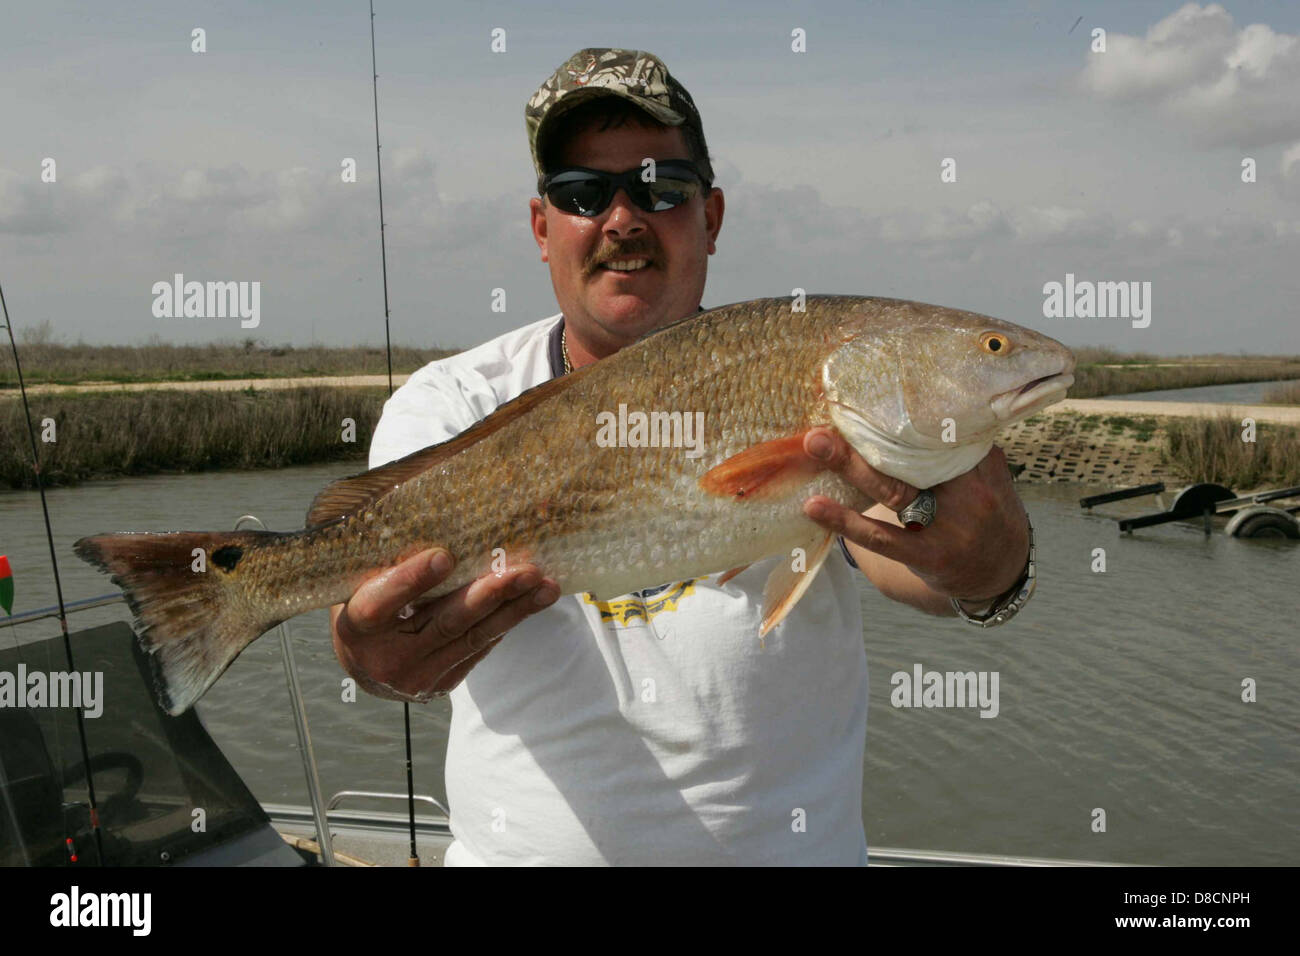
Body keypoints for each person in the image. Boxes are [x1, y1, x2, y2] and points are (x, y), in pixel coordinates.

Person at [330, 48, 1033, 865]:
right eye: (582, 194)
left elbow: (917, 565)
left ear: (712, 216)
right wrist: (368, 657)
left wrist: (992, 571)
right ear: (541, 227)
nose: (623, 217)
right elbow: (379, 627)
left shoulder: (814, 383)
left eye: (662, 186)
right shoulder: (450, 405)